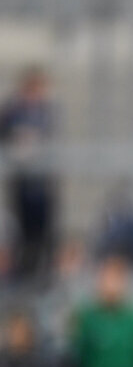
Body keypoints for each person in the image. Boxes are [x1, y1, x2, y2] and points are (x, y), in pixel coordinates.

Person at [0, 65, 59, 284]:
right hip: (22, 184)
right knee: (22, 232)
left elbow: (49, 138)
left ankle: (42, 272)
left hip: (42, 185)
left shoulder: (47, 111)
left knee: (43, 232)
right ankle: (23, 272)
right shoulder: (12, 111)